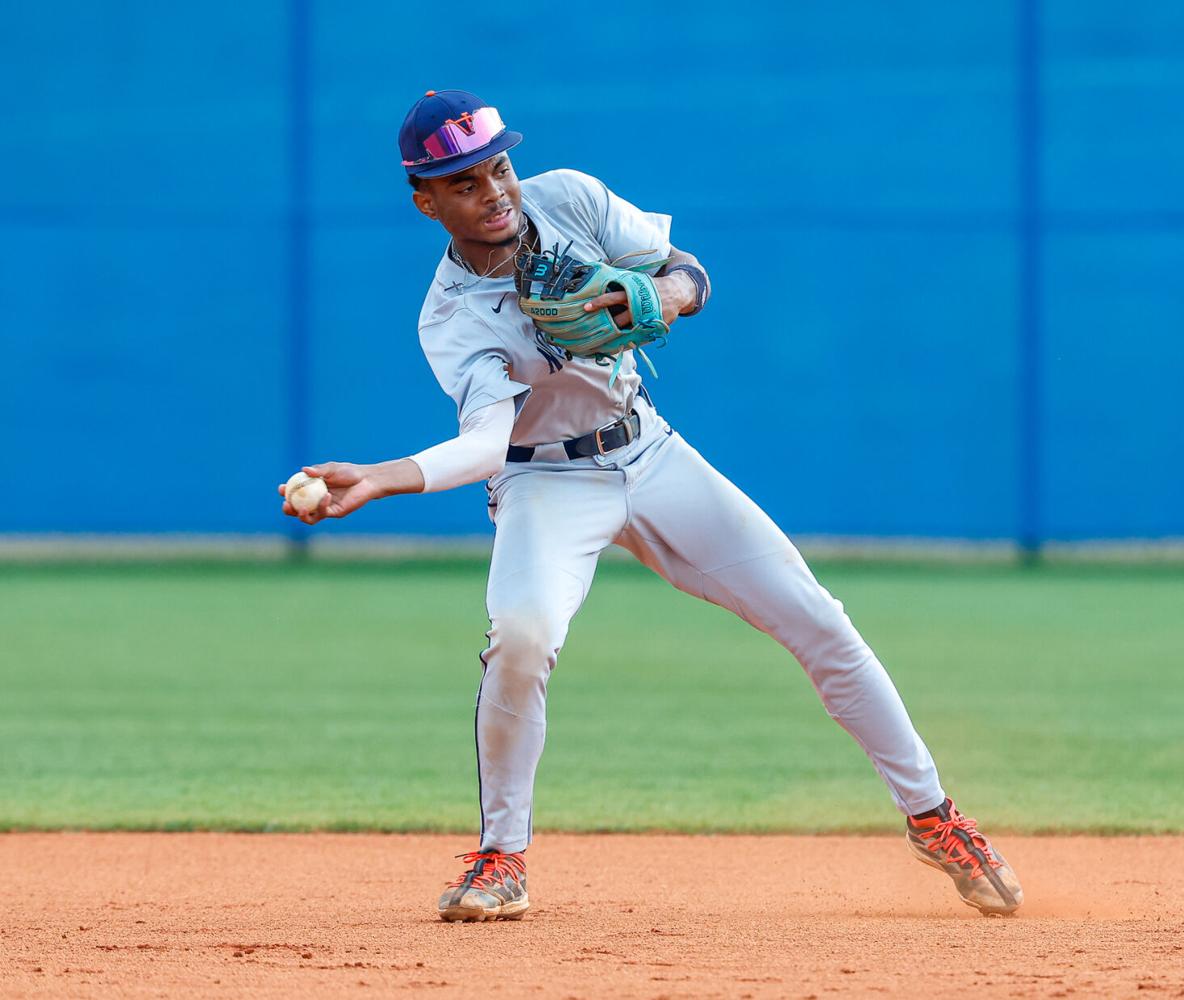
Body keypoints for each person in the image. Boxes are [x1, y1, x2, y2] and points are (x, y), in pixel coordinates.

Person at [278, 89, 1024, 922]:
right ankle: (501, 859)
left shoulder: (568, 197)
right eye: (463, 182)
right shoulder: (450, 317)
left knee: (819, 620)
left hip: (650, 450)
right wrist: (385, 475)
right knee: (519, 639)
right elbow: (490, 441)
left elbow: (689, 271)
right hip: (543, 481)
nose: (493, 192)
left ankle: (934, 817)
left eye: (498, 167)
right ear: (426, 202)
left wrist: (660, 298)